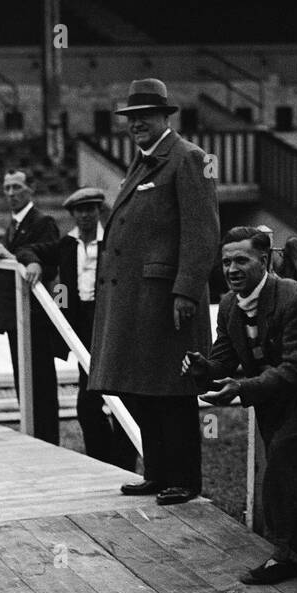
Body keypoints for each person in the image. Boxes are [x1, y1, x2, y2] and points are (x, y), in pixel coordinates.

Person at [185, 228, 297, 584]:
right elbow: (224, 360)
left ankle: (286, 554)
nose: (232, 269)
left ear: (263, 261)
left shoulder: (296, 297)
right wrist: (203, 370)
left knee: (284, 455)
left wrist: (242, 388)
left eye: (241, 260)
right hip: (275, 399)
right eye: (226, 261)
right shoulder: (230, 305)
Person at [92, 79, 220, 506]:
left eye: (145, 116)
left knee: (173, 391)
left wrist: (186, 290)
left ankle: (184, 478)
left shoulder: (190, 159)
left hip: (166, 300)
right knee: (140, 387)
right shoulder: (144, 161)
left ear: (165, 117)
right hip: (134, 300)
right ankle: (159, 471)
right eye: (131, 118)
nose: (136, 125)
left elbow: (203, 233)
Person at [18, 185, 137, 470]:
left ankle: (125, 462)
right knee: (88, 403)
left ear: (98, 211)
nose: (85, 215)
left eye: (91, 209)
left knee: (121, 397)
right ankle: (102, 460)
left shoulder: (112, 242)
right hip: (81, 323)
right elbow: (27, 249)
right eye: (80, 211)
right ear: (72, 214)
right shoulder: (67, 245)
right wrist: (33, 263)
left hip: (110, 320)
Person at [0, 170, 62, 444]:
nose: (10, 193)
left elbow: (52, 260)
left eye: (16, 187)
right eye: (6, 188)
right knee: (25, 381)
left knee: (40, 382)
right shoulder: (14, 224)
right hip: (16, 316)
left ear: (31, 188)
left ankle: (47, 439)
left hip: (35, 316)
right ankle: (34, 436)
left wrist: (19, 258)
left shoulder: (43, 222)